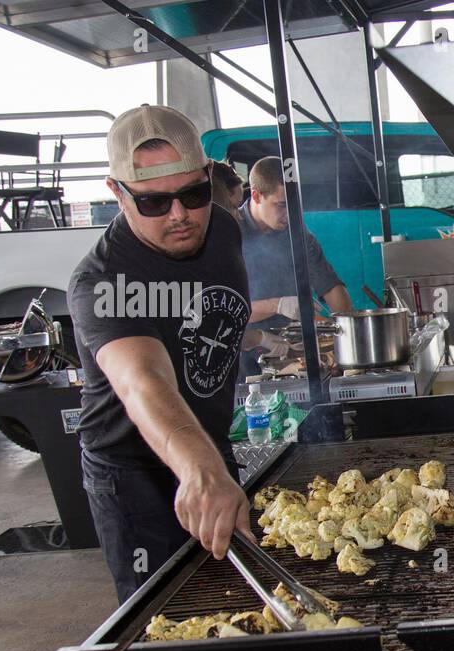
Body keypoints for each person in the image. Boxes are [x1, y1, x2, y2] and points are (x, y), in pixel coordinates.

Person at [67, 105, 270, 602]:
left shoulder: (221, 229)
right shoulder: (103, 281)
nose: (179, 215)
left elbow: (207, 319)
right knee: (168, 628)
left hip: (209, 450)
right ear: (116, 192)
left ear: (208, 178)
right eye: (154, 203)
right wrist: (200, 469)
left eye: (192, 194)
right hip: (137, 479)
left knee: (240, 604)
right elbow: (144, 382)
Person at [237, 156, 352, 377]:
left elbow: (330, 287)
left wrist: (350, 336)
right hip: (245, 355)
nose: (289, 215)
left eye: (294, 206)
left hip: (295, 352)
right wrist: (277, 305)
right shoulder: (230, 232)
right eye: (280, 205)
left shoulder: (298, 234)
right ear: (256, 195)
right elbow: (220, 308)